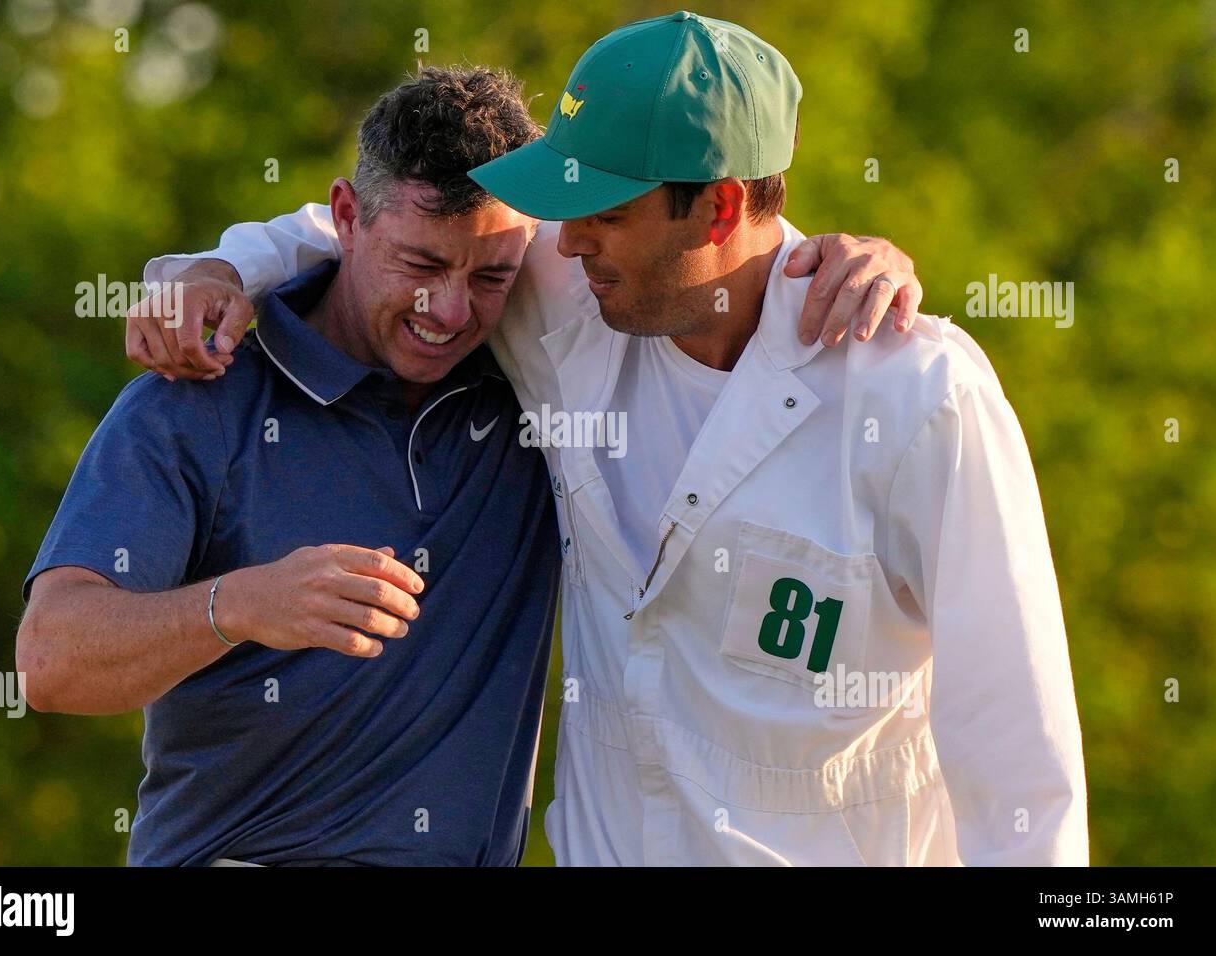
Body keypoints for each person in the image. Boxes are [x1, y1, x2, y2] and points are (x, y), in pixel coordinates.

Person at [133, 14, 1088, 866]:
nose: (569, 240)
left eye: (607, 213)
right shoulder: (569, 299)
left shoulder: (923, 398)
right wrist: (218, 265)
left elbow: (1018, 754)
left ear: (717, 208)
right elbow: (373, 233)